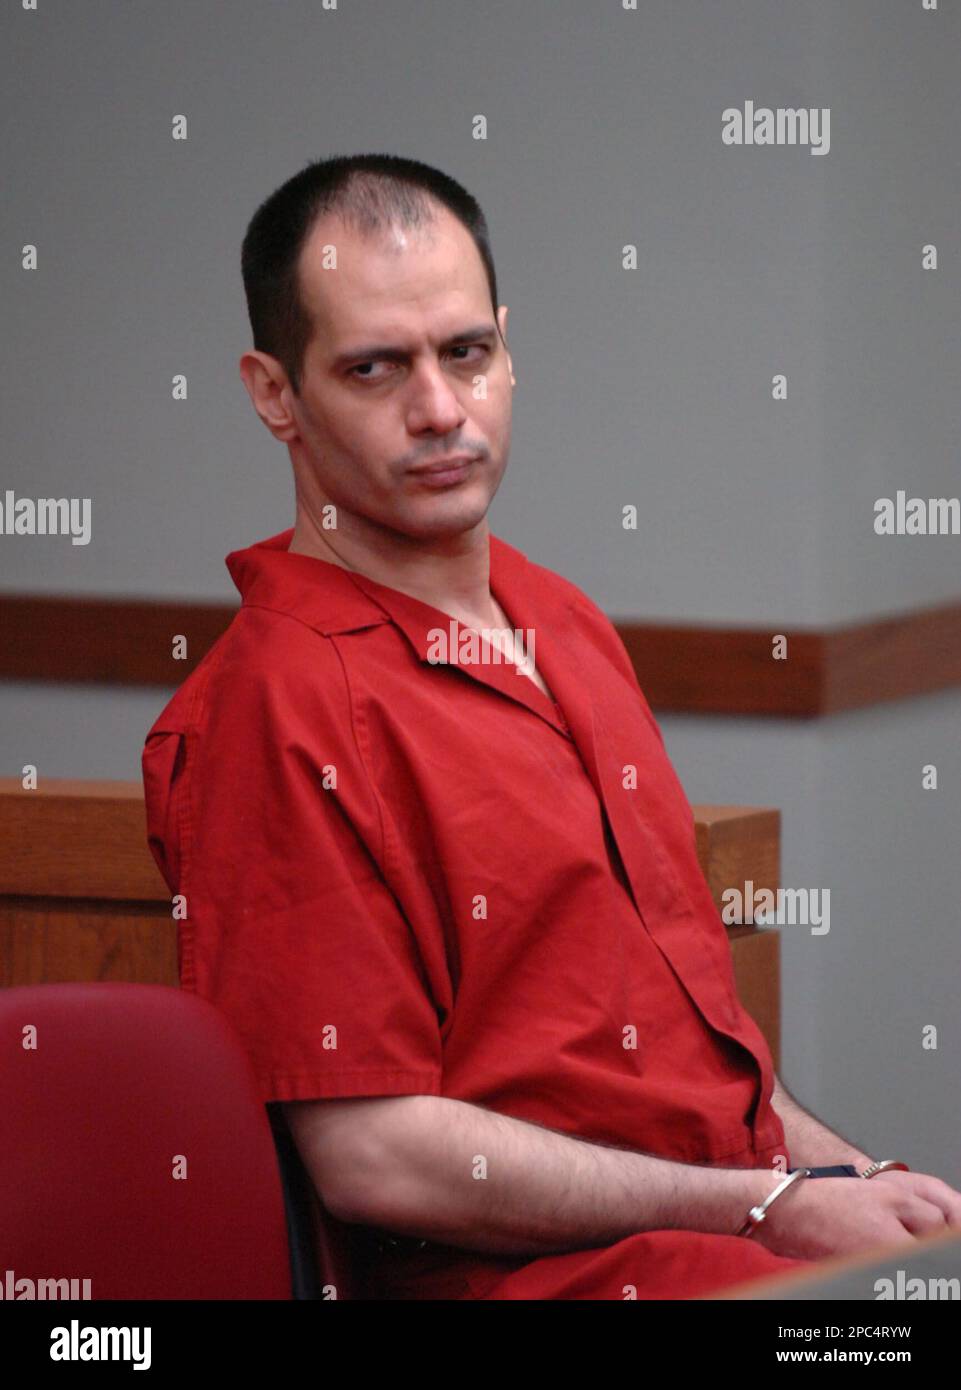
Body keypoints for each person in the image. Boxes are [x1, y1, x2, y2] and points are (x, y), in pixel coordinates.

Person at [142, 153, 961, 1300]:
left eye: (464, 353)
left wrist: (853, 1180)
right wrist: (768, 1207)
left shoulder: (559, 617)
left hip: (725, 1238)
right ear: (274, 393)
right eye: (374, 368)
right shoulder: (272, 706)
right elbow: (372, 1159)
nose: (438, 410)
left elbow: (713, 1072)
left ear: (506, 348)